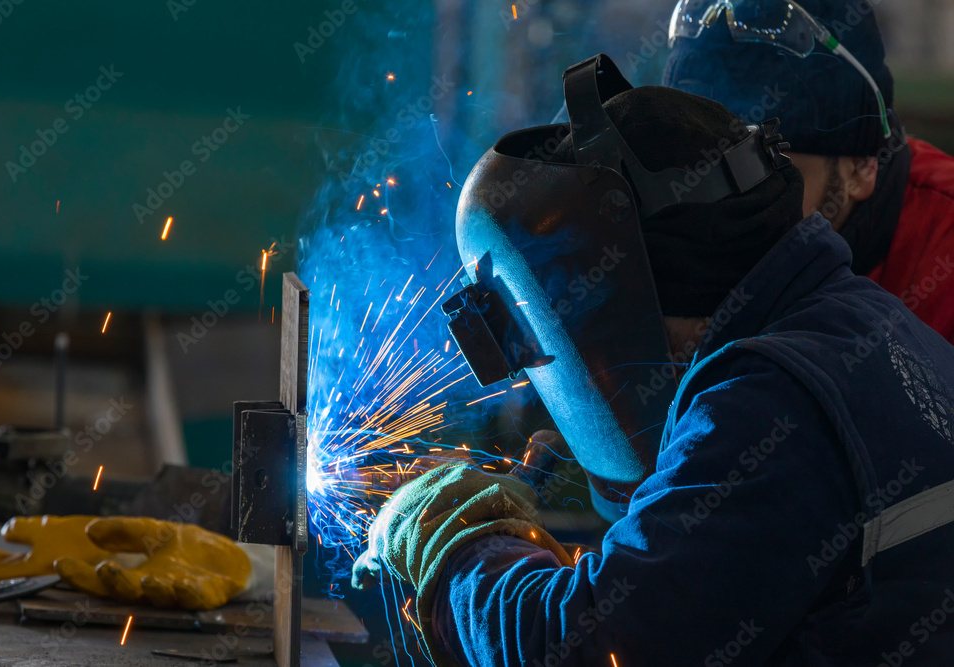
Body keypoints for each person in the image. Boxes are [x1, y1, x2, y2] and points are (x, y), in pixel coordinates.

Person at [351, 54, 954, 666]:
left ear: (630, 293)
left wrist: (454, 542)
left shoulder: (768, 405)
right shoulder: (861, 319)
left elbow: (589, 649)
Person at [664, 0, 954, 344]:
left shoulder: (941, 266)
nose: (731, 205)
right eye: (709, 171)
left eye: (767, 168)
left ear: (861, 167)